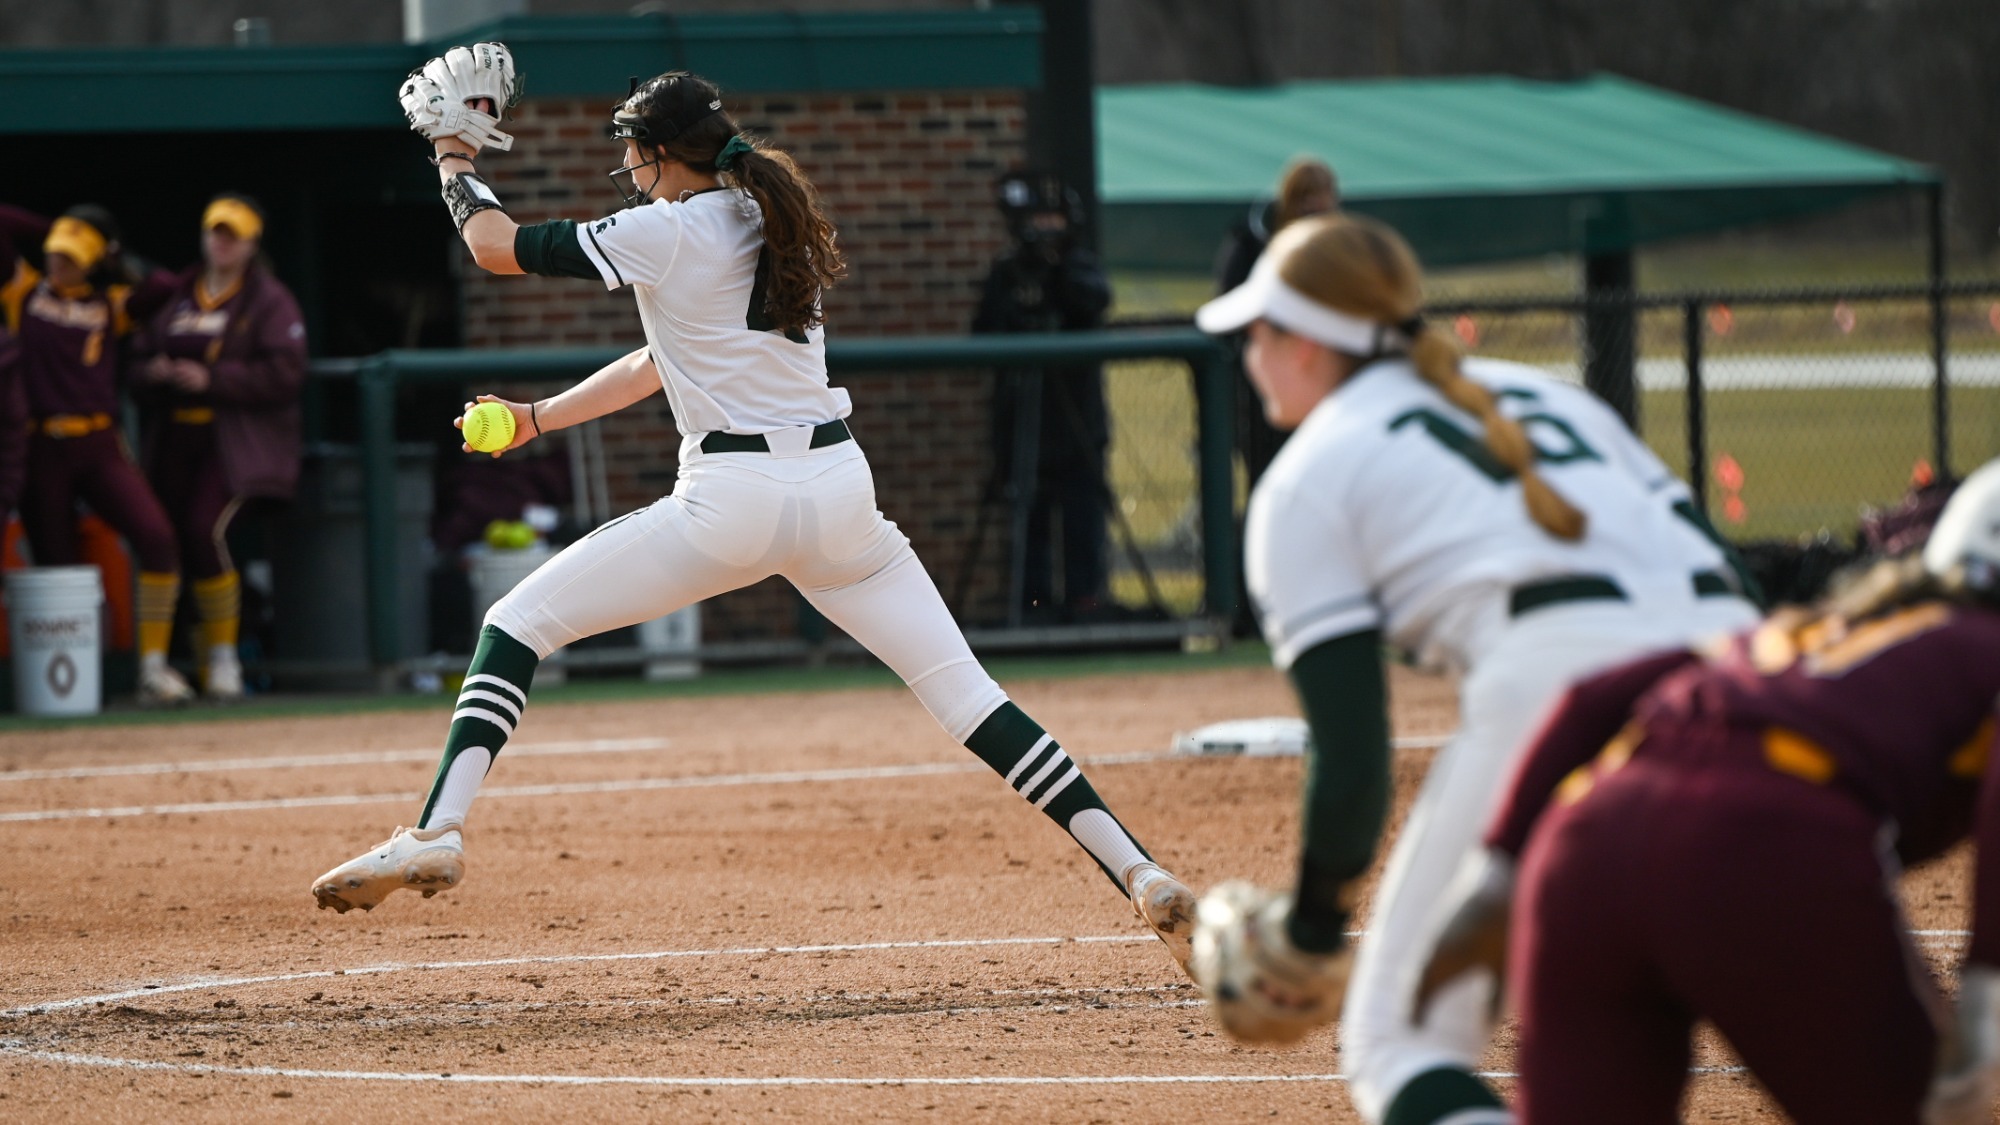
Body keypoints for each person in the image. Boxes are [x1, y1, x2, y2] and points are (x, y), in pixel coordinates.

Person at [312, 46, 1199, 974]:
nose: (628, 173)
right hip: (839, 494)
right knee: (973, 698)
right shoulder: (771, 216)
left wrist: (453, 156)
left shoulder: (671, 228)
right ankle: (1139, 871)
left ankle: (437, 830)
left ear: (661, 154)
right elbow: (664, 362)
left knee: (514, 622)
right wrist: (538, 419)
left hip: (732, 500)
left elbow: (494, 249)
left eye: (633, 156)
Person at [1184, 212, 1760, 1125]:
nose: (1248, 358)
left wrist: (1312, 930)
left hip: (1556, 691)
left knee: (1396, 1042)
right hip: (1755, 686)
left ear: (1302, 346)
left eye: (1258, 333)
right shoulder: (1551, 396)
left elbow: (1355, 764)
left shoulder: (1304, 478)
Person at [1416, 458, 2000, 1125]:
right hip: (1764, 842)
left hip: (1586, 840)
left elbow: (1596, 695)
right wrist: (1985, 986)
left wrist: (1495, 872)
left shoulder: (1824, 623)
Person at [0, 204, 192, 704]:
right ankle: (65, 686)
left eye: (73, 256)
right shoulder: (23, 290)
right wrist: (57, 229)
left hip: (99, 442)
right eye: (58, 254)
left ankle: (153, 666)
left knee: (156, 535)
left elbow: (167, 283)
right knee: (56, 567)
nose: (61, 263)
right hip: (42, 445)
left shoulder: (111, 304)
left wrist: (108, 249)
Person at [133, 193, 307, 700]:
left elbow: (285, 373)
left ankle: (223, 663)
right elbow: (136, 358)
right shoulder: (178, 291)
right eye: (216, 232)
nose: (221, 243)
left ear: (252, 243)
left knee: (202, 531)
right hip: (173, 437)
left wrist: (212, 377)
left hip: (235, 442)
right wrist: (157, 372)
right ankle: (154, 667)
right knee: (160, 539)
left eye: (233, 235)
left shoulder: (269, 299)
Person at [972, 171, 1113, 621]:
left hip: (1077, 420)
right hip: (1020, 421)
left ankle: (1084, 602)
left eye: (1054, 218)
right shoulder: (1008, 272)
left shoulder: (1080, 265)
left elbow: (1094, 300)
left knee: (1082, 516)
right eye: (1039, 219)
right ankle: (1032, 606)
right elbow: (983, 333)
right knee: (1027, 515)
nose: (1046, 227)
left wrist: (1057, 268)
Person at [1214, 156, 1338, 489]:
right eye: (1305, 195)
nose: (1315, 205)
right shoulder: (1252, 245)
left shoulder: (1339, 254)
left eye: (1322, 196)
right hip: (1261, 396)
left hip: (1321, 387)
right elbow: (1229, 307)